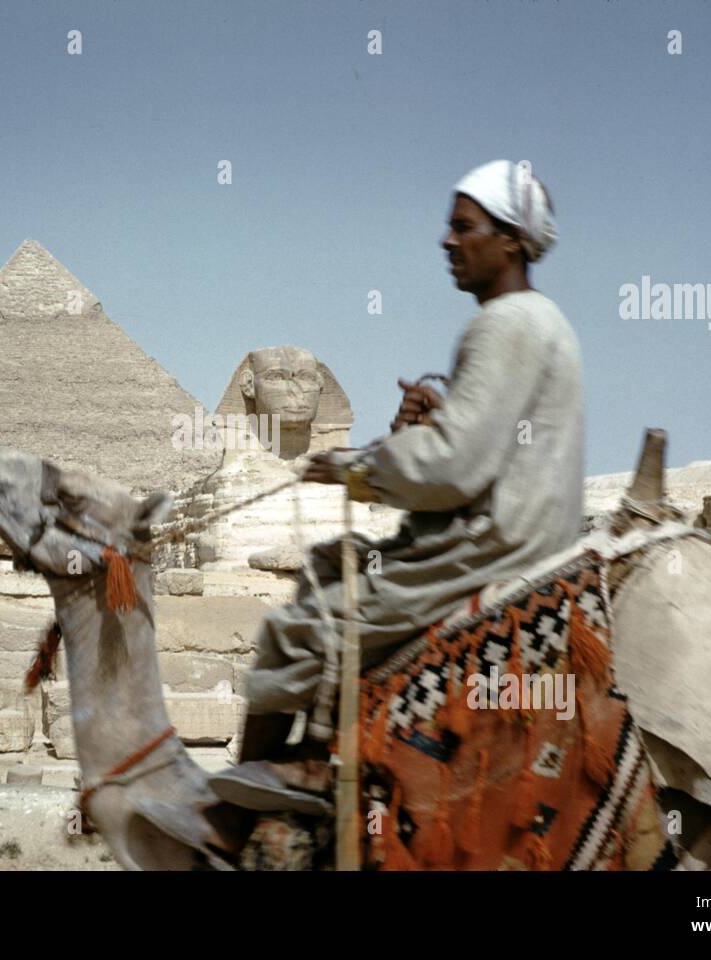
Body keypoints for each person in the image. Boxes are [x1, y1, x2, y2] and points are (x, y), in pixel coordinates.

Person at [212, 160, 585, 810]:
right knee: (330, 561)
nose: (446, 241)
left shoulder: (504, 322)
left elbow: (453, 469)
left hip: (495, 548)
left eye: (462, 227)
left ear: (510, 240)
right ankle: (317, 751)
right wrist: (428, 426)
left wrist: (355, 468)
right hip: (510, 532)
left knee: (290, 631)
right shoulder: (539, 320)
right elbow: (481, 446)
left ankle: (251, 807)